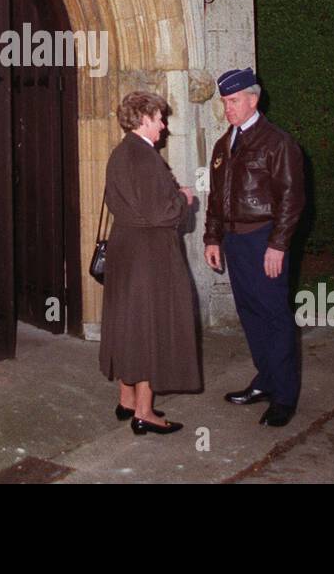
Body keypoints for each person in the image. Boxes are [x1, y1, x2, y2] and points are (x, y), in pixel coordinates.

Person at [202, 68, 305, 428]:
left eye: (233, 101)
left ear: (253, 99)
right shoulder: (223, 144)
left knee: (275, 317)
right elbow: (216, 197)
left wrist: (278, 245)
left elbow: (292, 198)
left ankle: (285, 396)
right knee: (251, 314)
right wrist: (212, 237)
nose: (227, 109)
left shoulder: (277, 143)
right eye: (224, 102)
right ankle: (266, 380)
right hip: (235, 241)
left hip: (264, 239)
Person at [99, 90, 201, 436]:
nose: (164, 126)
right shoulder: (145, 157)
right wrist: (183, 200)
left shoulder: (121, 153)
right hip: (149, 255)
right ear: (144, 119)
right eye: (160, 118)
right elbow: (161, 211)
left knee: (128, 322)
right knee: (148, 327)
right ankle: (144, 412)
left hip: (126, 249)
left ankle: (126, 399)